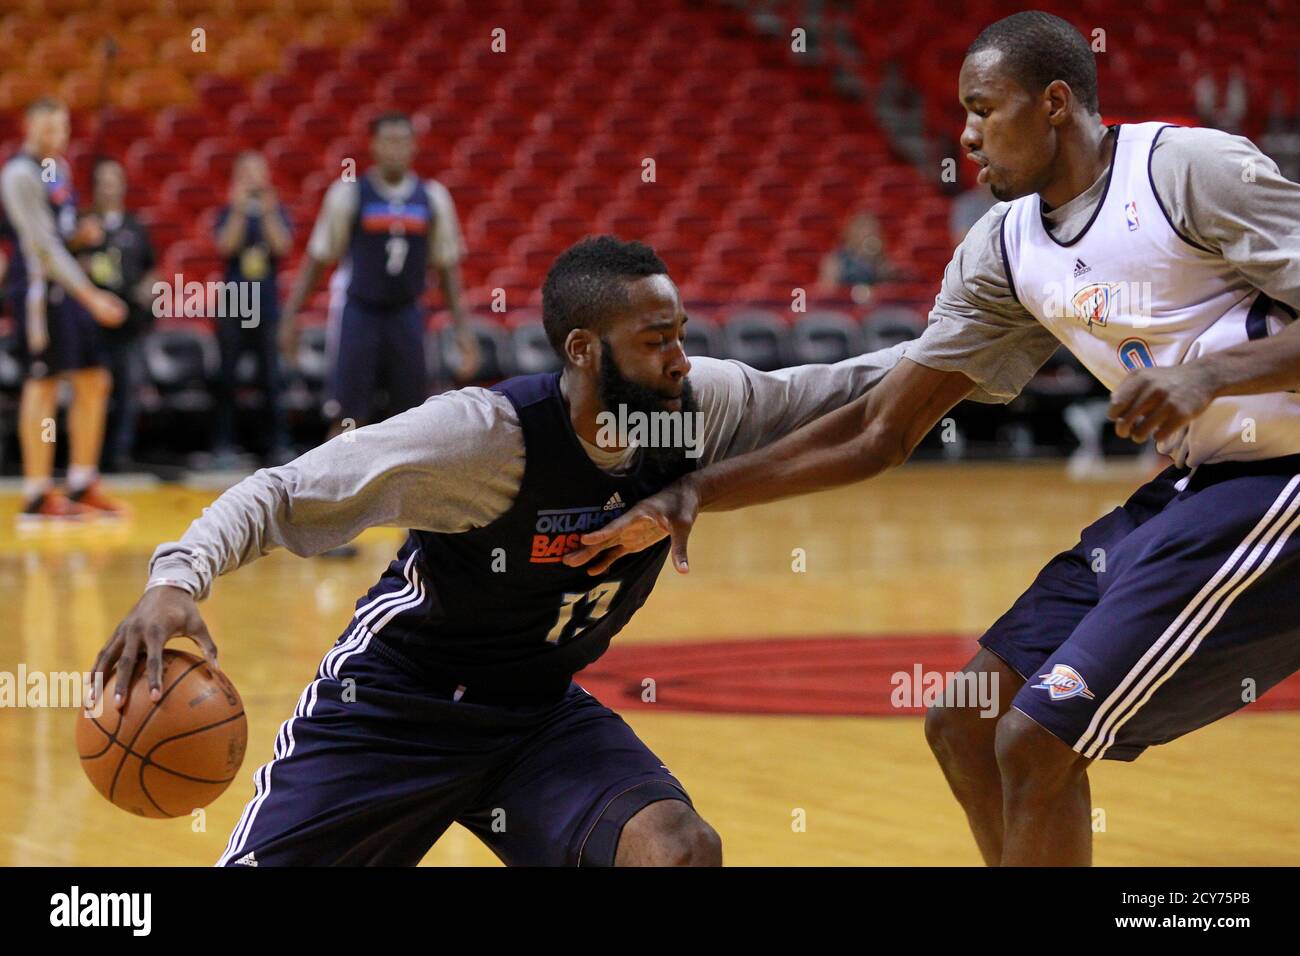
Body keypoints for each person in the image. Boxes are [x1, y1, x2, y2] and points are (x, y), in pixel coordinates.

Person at [565, 12, 1300, 867]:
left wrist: (1209, 375)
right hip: (1198, 484)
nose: (966, 133)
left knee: (1036, 736)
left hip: (1282, 478)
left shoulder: (1187, 170)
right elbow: (882, 430)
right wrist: (700, 492)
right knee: (969, 720)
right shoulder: (1002, 247)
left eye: (985, 108)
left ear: (1055, 102)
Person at [90, 236, 909, 866]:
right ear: (584, 350)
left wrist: (979, 341)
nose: (680, 357)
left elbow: (837, 390)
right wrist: (176, 577)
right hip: (395, 710)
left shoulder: (696, 407)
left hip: (535, 715)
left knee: (678, 849)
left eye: (681, 334)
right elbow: (280, 492)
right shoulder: (481, 441)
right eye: (656, 339)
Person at [279, 111, 477, 439]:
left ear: (415, 147)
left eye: (403, 141)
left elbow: (447, 267)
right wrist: (292, 316)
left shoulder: (433, 197)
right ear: (373, 146)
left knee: (413, 419)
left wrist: (462, 329)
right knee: (347, 417)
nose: (395, 149)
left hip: (408, 313)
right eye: (388, 141)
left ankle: (405, 491)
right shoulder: (348, 194)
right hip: (359, 312)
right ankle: (334, 487)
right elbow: (318, 259)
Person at [0, 98, 128, 523]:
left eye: (63, 129)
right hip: (38, 291)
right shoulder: (18, 174)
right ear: (29, 127)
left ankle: (81, 480)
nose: (57, 138)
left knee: (94, 379)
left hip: (68, 289)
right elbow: (42, 246)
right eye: (48, 130)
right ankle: (37, 494)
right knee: (45, 384)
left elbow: (62, 234)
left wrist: (81, 234)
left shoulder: (61, 169)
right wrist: (92, 296)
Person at [212, 152, 293, 467]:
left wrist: (269, 211)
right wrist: (238, 207)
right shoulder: (227, 212)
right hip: (234, 303)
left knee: (270, 379)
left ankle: (275, 445)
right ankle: (222, 445)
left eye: (258, 172)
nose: (253, 179)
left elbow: (282, 246)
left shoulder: (276, 211)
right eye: (246, 172)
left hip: (266, 305)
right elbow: (226, 246)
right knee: (227, 378)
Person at [78, 157, 158, 473]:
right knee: (92, 390)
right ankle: (86, 458)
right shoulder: (83, 225)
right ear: (95, 188)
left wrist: (148, 288)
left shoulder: (135, 226)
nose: (110, 187)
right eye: (104, 181)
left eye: (116, 180)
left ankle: (119, 455)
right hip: (92, 324)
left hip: (129, 324)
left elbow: (153, 269)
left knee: (128, 389)